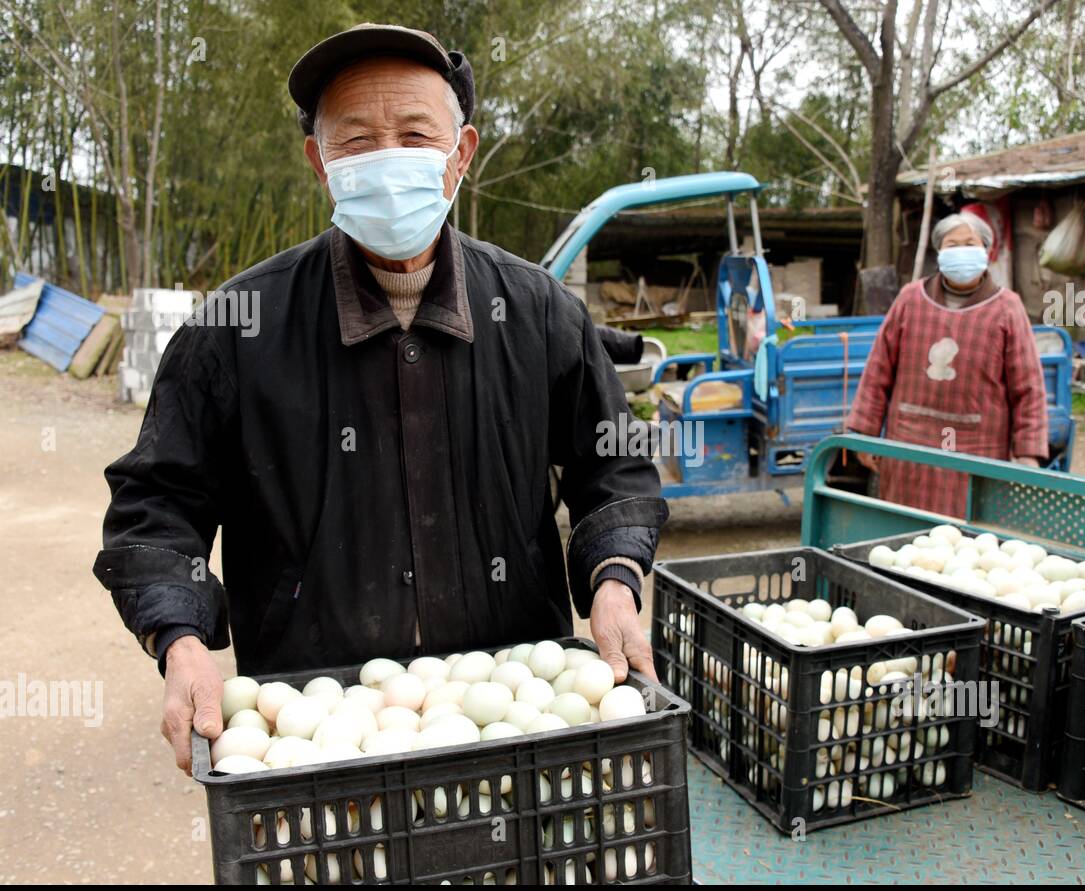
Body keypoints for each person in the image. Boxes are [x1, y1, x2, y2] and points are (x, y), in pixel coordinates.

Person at [92, 24, 667, 773]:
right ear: (320, 165)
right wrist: (181, 639)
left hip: (518, 713)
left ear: (461, 152)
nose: (387, 157)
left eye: (414, 134)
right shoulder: (234, 331)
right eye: (357, 141)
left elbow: (612, 470)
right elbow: (155, 508)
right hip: (320, 731)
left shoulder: (538, 314)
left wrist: (614, 581)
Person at [846, 211, 1047, 517]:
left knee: (967, 542)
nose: (960, 251)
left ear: (987, 250)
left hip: (978, 449)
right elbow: (878, 370)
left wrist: (1028, 453)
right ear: (939, 252)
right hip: (910, 444)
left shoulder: (1008, 308)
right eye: (952, 245)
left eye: (969, 243)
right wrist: (863, 433)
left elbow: (1028, 387)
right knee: (903, 534)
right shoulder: (910, 299)